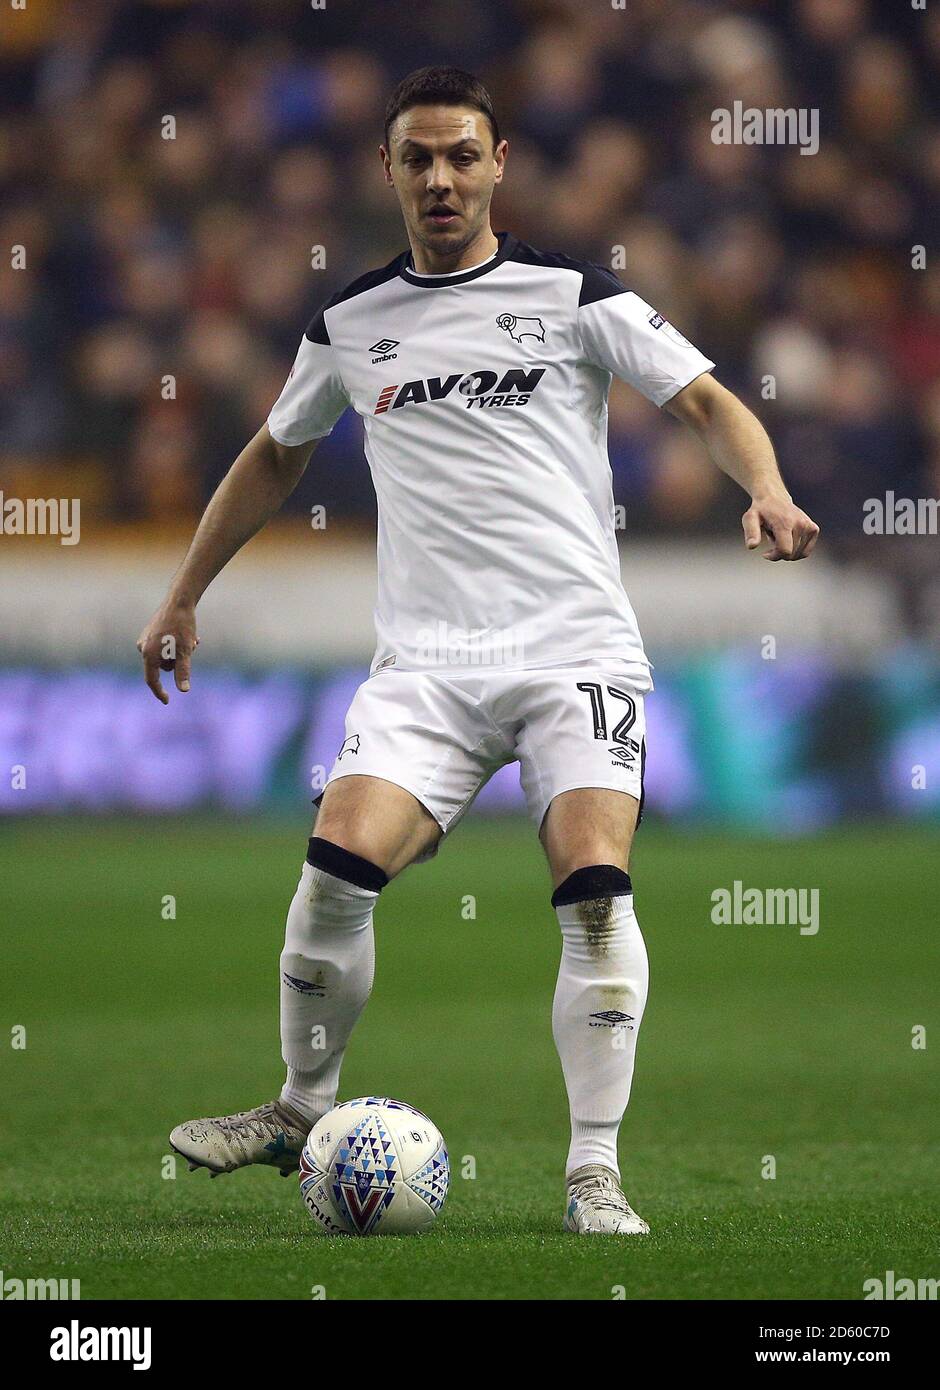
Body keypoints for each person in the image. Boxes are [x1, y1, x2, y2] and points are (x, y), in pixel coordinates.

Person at [138, 66, 819, 1235]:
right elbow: (274, 452)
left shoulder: (573, 294)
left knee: (593, 892)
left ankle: (591, 1168)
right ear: (389, 172)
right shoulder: (349, 321)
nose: (442, 178)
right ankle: (304, 1107)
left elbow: (706, 400)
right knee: (334, 869)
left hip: (574, 654)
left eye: (462, 155)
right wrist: (186, 589)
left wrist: (764, 485)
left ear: (500, 163)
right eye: (418, 158)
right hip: (426, 670)